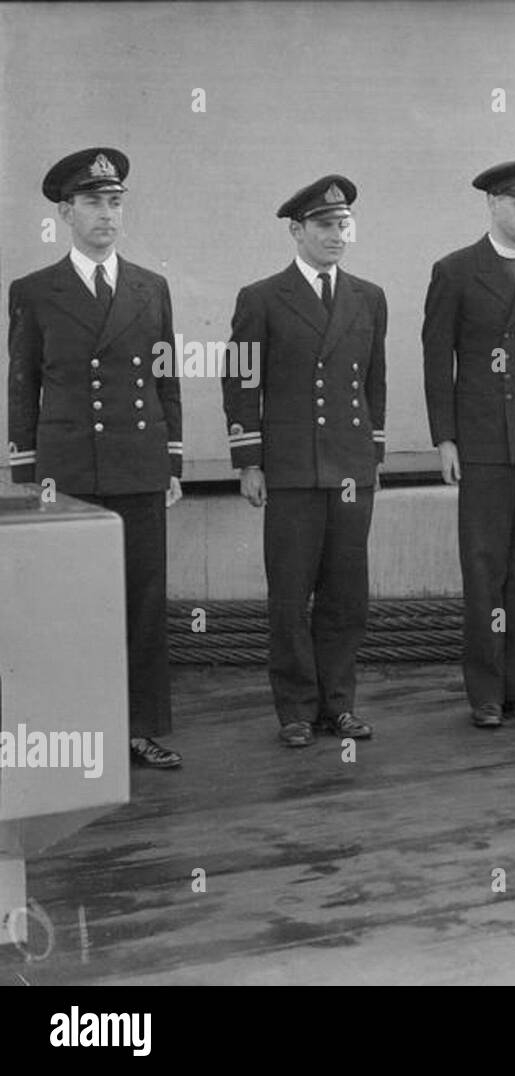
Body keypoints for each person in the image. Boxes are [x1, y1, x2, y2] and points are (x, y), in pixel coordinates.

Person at [8, 147, 183, 769]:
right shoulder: (33, 291)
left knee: (142, 598)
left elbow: (165, 378)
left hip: (137, 464)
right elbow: (22, 383)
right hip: (67, 470)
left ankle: (139, 728)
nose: (107, 214)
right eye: (92, 203)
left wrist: (172, 462)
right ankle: (76, 733)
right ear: (65, 212)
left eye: (115, 203)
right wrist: (25, 474)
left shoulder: (149, 287)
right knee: (71, 602)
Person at [223, 175, 386, 747]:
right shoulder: (262, 297)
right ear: (296, 231)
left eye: (343, 224)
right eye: (324, 225)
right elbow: (243, 383)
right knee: (290, 595)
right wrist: (249, 461)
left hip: (349, 469)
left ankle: (337, 705)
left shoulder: (367, 296)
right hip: (290, 468)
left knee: (346, 593)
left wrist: (374, 455)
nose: (337, 234)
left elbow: (375, 381)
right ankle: (295, 709)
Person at [422, 157, 515, 729]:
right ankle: (486, 692)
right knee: (485, 569)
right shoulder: (456, 271)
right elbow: (439, 361)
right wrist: (446, 438)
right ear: (491, 203)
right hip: (483, 441)